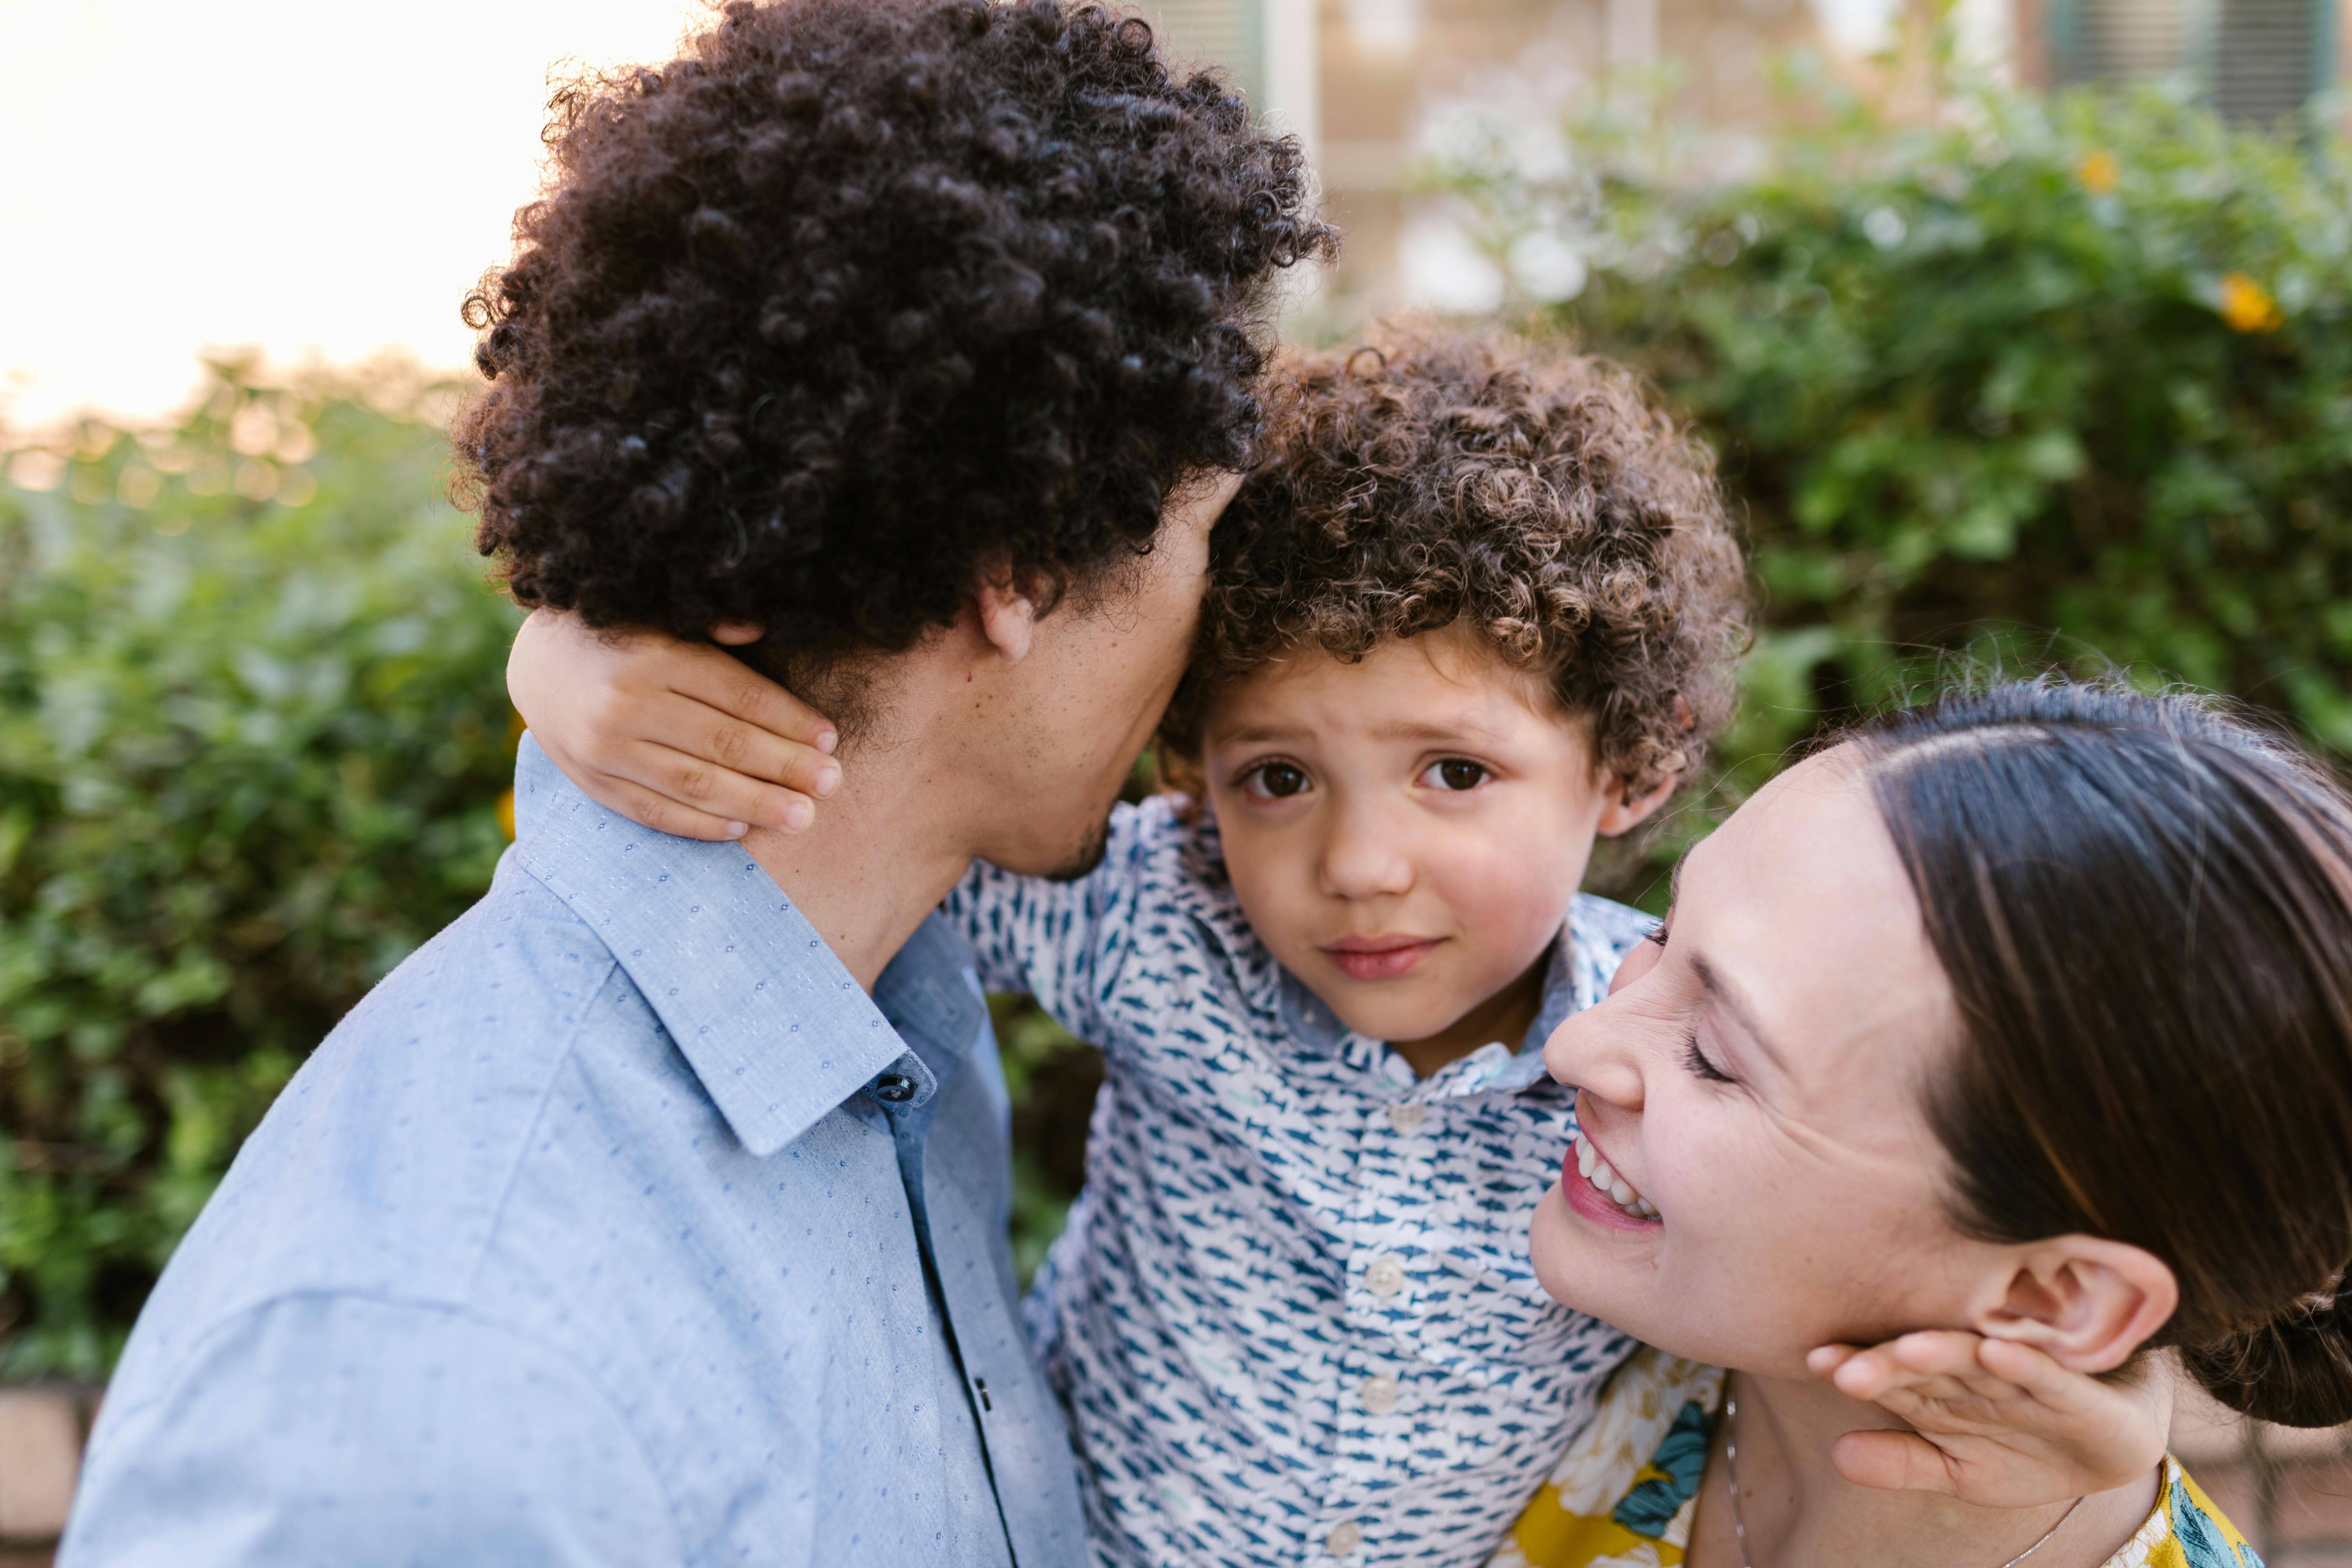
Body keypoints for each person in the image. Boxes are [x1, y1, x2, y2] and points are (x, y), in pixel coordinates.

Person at [512, 330, 2173, 1567]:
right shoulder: (1160, 915)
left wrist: (2118, 1457)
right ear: (1185, 766)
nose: (1361, 866)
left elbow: (1893, 1256)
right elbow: (807, 812)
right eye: (1278, 778)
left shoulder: (1665, 1064)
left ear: (1632, 765)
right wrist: (567, 667)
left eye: (1455, 773)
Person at [59, 3, 1333, 1564]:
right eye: (1209, 532)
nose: (1217, 626)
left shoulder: (892, 998)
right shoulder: (443, 1377)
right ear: (1013, 571)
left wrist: (563, 645)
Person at [1497, 679, 2352, 1568]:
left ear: (2051, 1296)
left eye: (1715, 1055)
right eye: (1664, 935)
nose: (1572, 1044)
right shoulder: (1644, 1310)